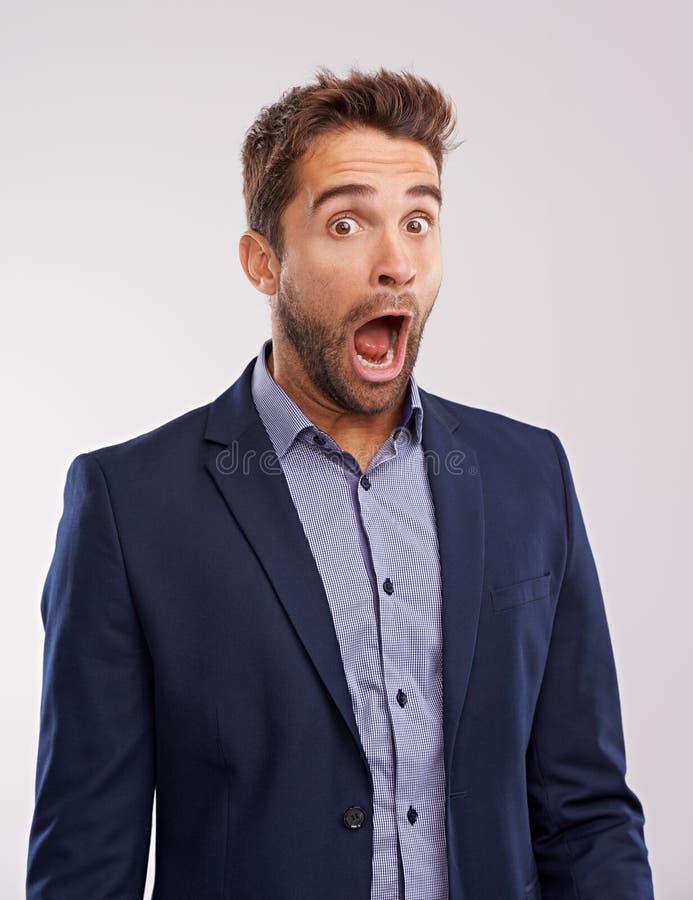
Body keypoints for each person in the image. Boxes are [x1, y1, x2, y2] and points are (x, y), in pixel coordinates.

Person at [26, 66, 654, 900]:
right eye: (348, 223)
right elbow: (85, 861)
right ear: (262, 262)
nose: (395, 263)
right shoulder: (128, 505)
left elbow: (587, 817)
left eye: (419, 221)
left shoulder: (527, 474)